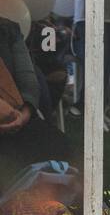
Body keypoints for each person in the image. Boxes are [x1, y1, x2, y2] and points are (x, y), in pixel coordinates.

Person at [0, 17, 72, 189]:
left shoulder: (8, 29)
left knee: (59, 147)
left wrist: (24, 114)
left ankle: (51, 212)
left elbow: (28, 80)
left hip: (18, 116)